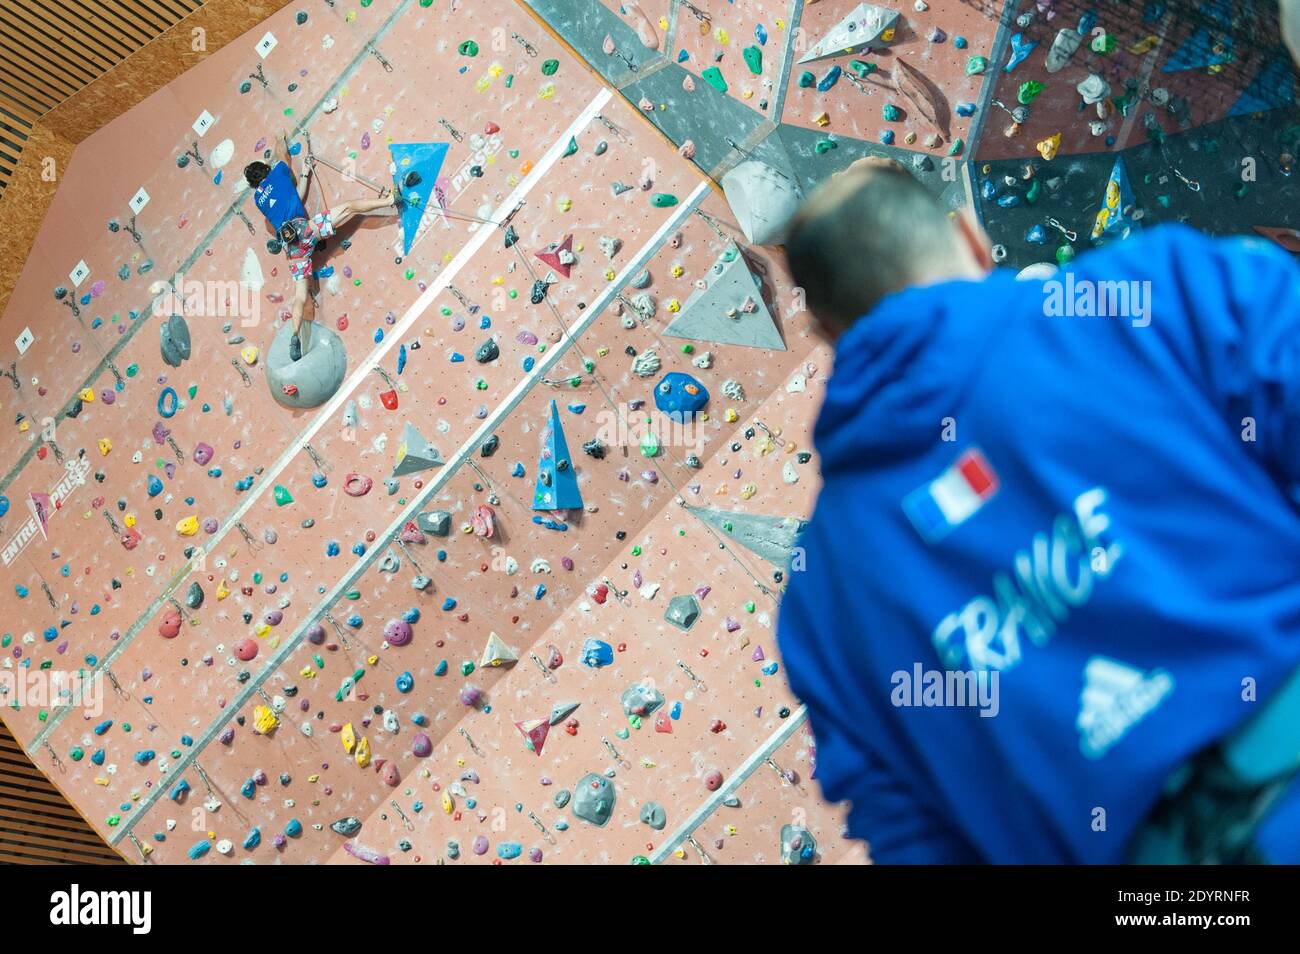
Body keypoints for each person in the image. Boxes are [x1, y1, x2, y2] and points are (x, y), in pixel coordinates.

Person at [775, 157, 1300, 863]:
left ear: (833, 335)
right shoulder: (1151, 293)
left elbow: (916, 841)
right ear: (970, 237)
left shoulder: (821, 614)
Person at [244, 131, 396, 362]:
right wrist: (279, 140)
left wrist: (305, 172)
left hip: (294, 249)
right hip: (306, 230)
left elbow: (295, 198)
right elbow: (281, 156)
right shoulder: (278, 172)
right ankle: (389, 200)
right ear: (266, 171)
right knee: (350, 208)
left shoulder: (257, 200)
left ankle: (295, 336)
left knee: (300, 294)